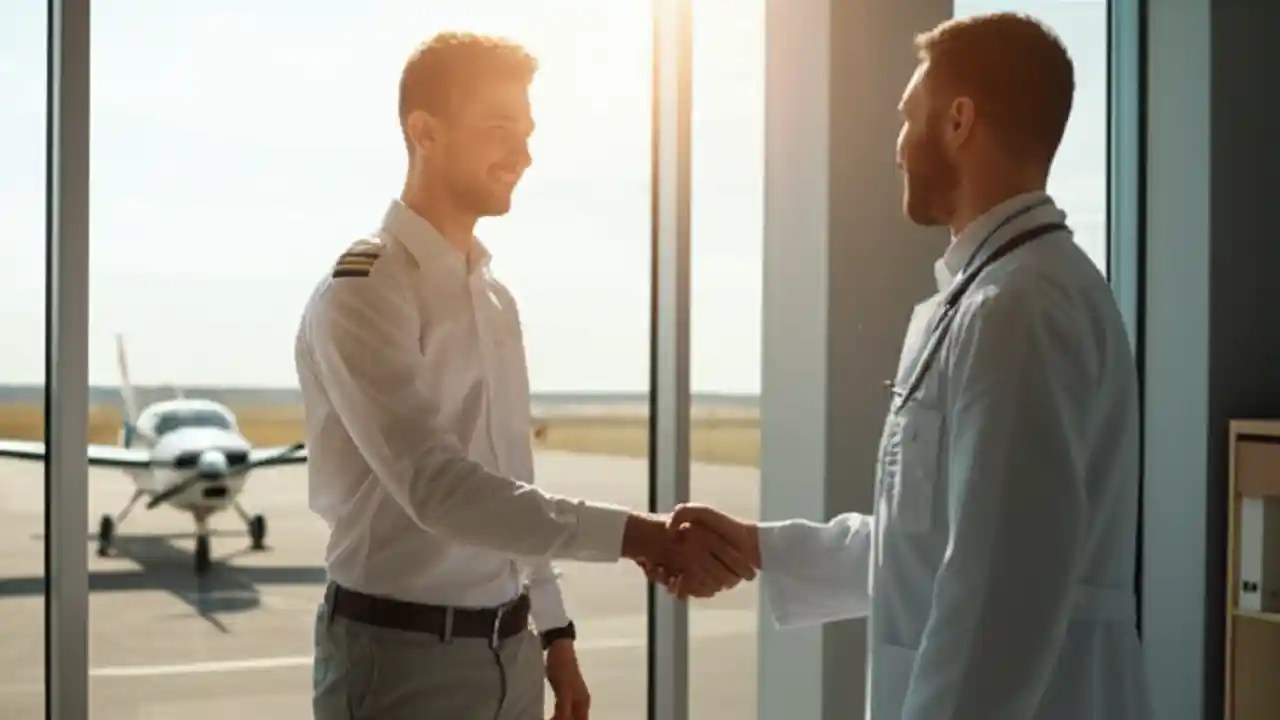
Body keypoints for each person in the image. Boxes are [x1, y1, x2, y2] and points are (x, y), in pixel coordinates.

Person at [656, 12, 1152, 719]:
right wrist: (763, 547)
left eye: (906, 117)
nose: (896, 147)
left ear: (958, 121)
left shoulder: (1018, 306)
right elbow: (926, 544)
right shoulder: (991, 294)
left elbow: (1000, 588)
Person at [294, 32, 755, 720]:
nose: (524, 153)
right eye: (499, 127)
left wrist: (555, 633)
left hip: (510, 653)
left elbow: (512, 481)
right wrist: (639, 535)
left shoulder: (493, 298)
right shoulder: (365, 289)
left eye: (528, 131)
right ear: (424, 132)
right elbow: (437, 488)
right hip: (399, 661)